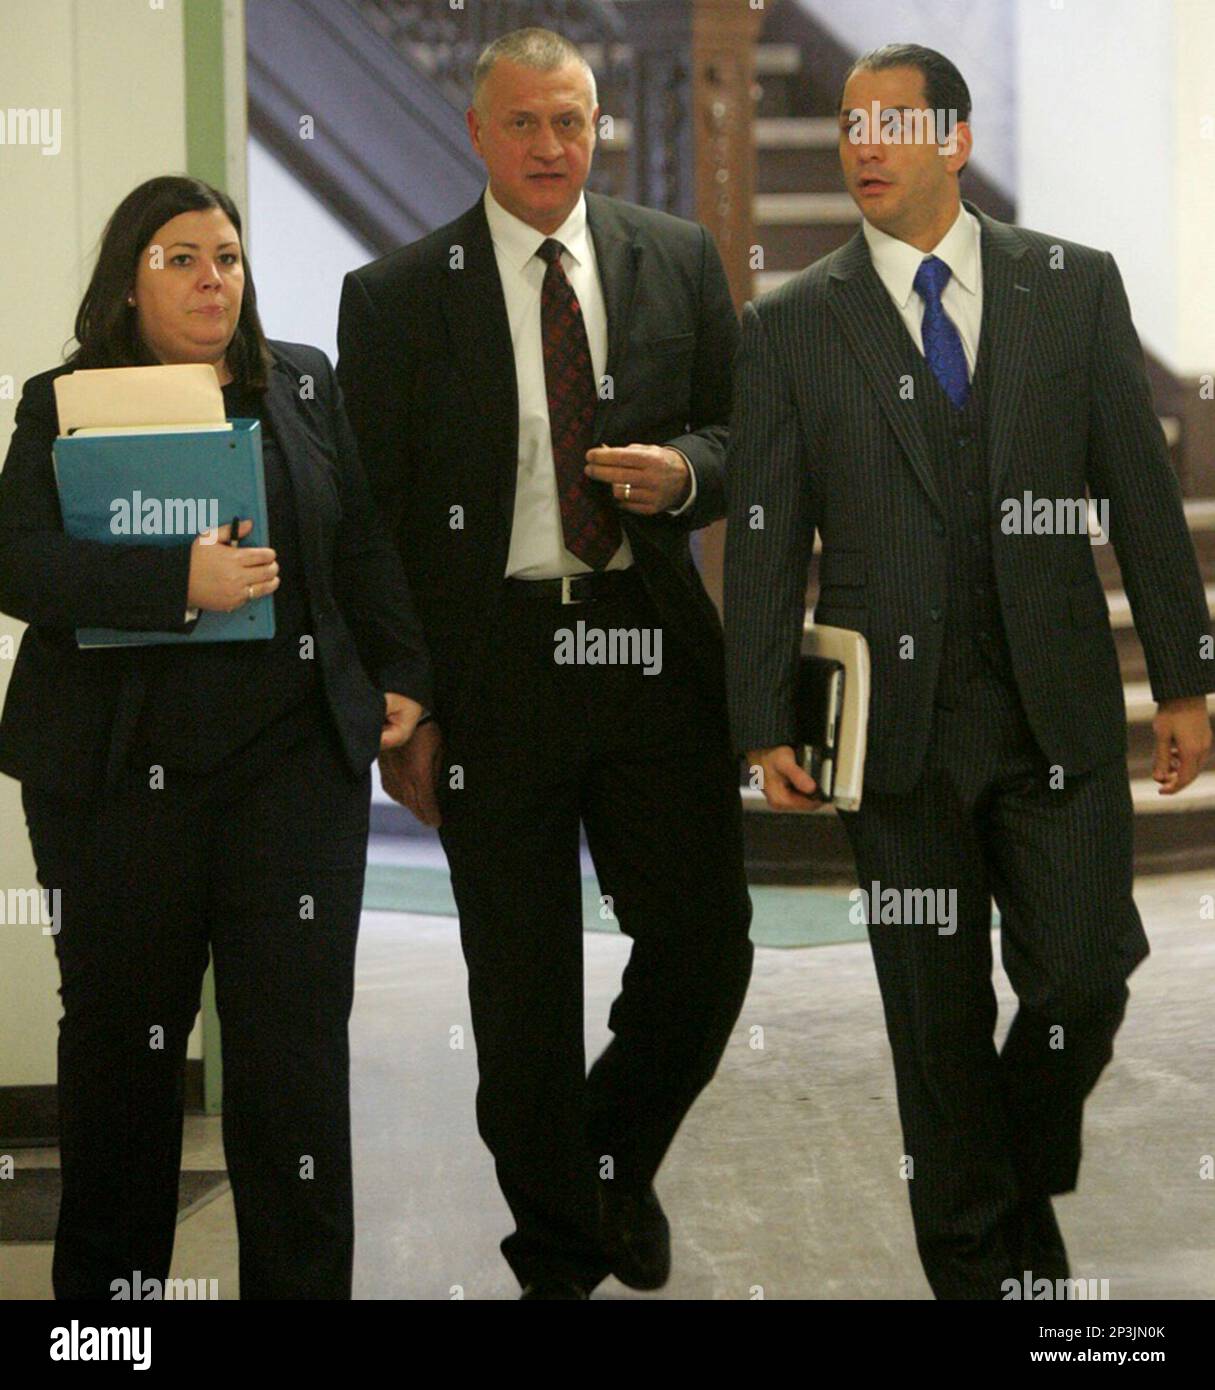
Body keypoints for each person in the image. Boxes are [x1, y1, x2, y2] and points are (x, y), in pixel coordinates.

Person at [724, 44, 1214, 1299]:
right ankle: (989, 1276)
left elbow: (1145, 504)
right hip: (898, 742)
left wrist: (1187, 680)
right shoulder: (791, 323)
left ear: (954, 135)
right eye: (848, 123)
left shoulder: (1074, 287)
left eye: (892, 121)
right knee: (934, 1031)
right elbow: (770, 530)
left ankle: (1008, 1172)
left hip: (1058, 716)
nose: (863, 145)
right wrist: (764, 713)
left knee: (1083, 980)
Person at [337, 28, 753, 1298]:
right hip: (492, 663)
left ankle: (612, 1156)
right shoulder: (399, 294)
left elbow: (743, 436)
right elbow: (372, 525)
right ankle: (559, 1259)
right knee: (521, 997)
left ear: (595, 128)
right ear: (477, 133)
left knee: (705, 944)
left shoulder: (674, 258)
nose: (550, 146)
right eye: (522, 123)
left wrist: (688, 475)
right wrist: (402, 711)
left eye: (571, 121)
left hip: (646, 652)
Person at [0, 175, 432, 1299]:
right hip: (116, 787)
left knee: (293, 1072)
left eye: (227, 257)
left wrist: (404, 678)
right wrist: (170, 579)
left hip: (291, 780)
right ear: (128, 281)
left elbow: (364, 545)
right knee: (125, 1064)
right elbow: (17, 563)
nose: (210, 279)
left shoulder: (301, 382)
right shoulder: (64, 401)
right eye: (180, 258)